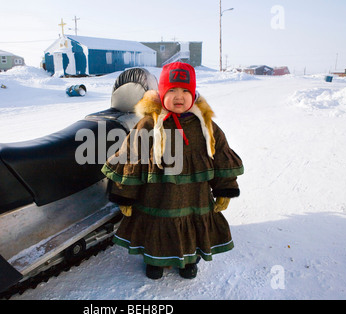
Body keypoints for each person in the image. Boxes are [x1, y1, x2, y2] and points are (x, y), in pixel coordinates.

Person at [101, 62, 244, 279]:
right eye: (172, 90)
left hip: (194, 200)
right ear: (161, 94)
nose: (179, 96)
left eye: (186, 90)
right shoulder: (149, 125)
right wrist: (124, 194)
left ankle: (188, 261)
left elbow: (221, 159)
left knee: (191, 228)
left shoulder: (206, 127)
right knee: (157, 228)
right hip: (157, 198)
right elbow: (131, 158)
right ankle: (154, 261)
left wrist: (225, 189)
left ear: (194, 94)